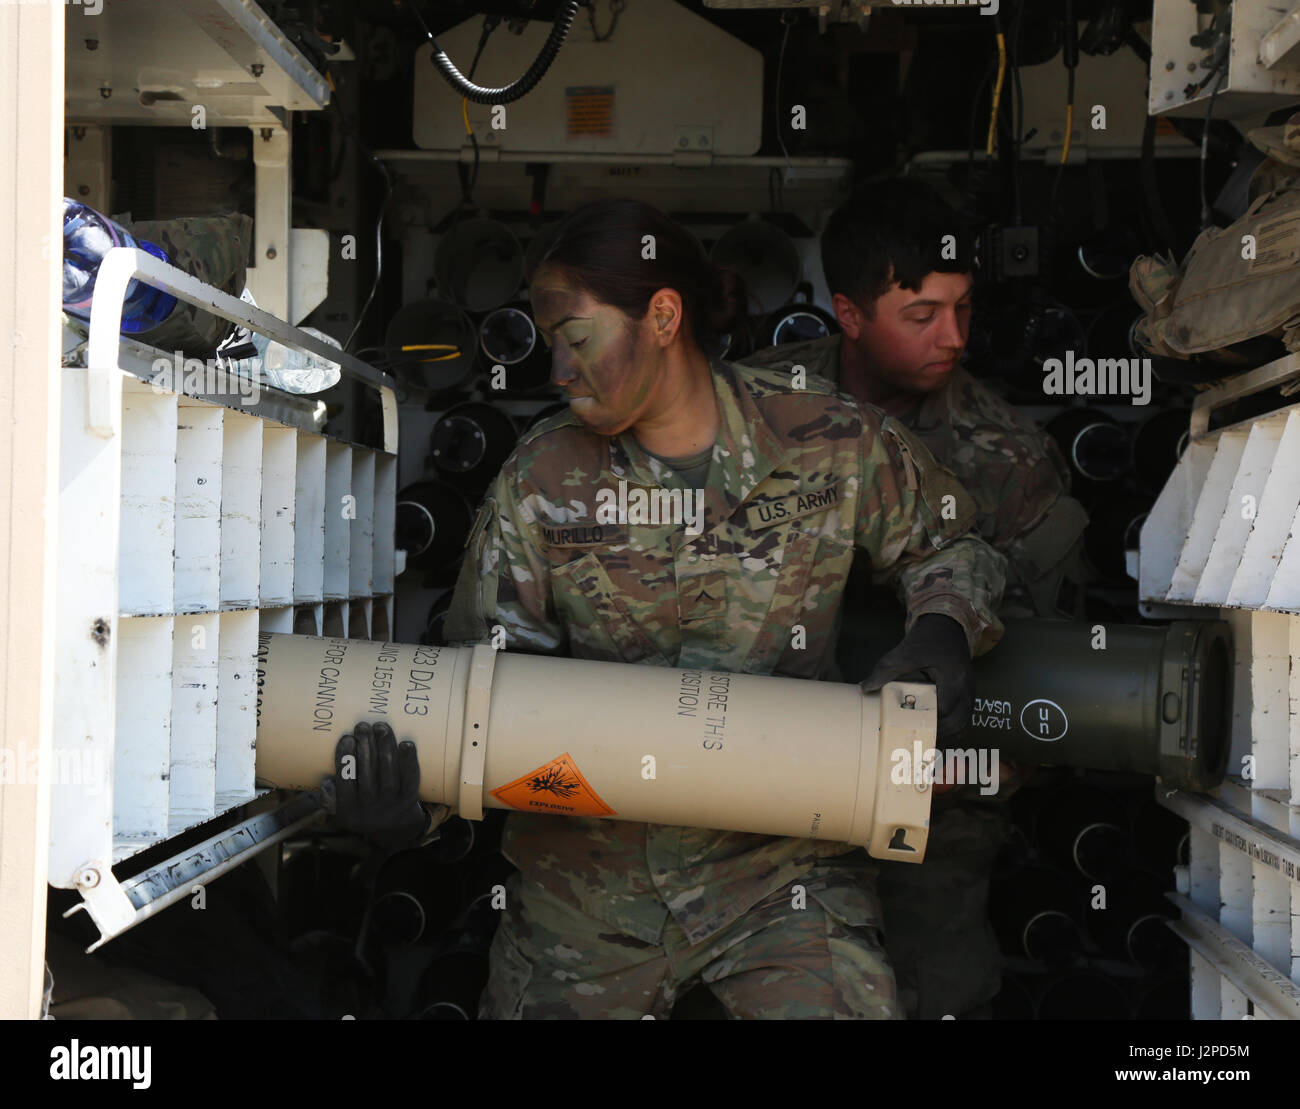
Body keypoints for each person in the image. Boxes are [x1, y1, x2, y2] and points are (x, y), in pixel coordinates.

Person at [419, 196, 1008, 1019]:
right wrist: (411, 799)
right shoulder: (539, 483)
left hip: (784, 875)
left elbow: (951, 545)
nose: (557, 372)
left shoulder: (832, 441)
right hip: (589, 894)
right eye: (552, 343)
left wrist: (944, 625)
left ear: (663, 316)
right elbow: (472, 693)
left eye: (576, 338)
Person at [739, 178, 1091, 1020]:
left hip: (927, 813)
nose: (955, 337)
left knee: (932, 999)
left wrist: (953, 772)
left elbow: (1049, 673)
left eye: (964, 308)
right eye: (922, 313)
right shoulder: (750, 413)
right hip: (748, 795)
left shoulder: (1008, 457)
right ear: (850, 314)